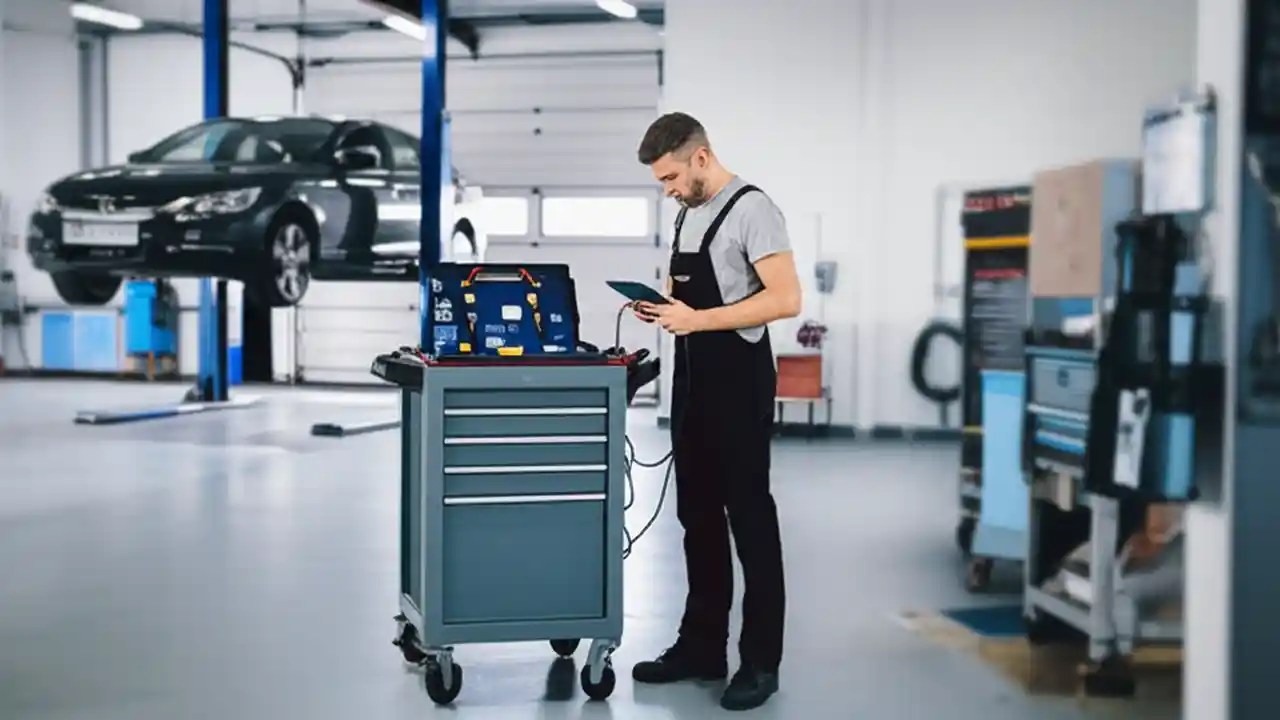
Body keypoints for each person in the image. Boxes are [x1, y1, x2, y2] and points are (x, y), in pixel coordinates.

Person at [630, 111, 801, 711]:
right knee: (696, 516)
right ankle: (702, 646)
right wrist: (662, 306)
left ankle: (760, 662)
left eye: (672, 176)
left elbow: (785, 299)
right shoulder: (688, 211)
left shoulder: (754, 209)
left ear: (700, 157)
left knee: (750, 522)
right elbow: (699, 293)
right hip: (693, 381)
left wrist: (696, 319)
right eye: (661, 182)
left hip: (739, 381)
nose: (668, 189)